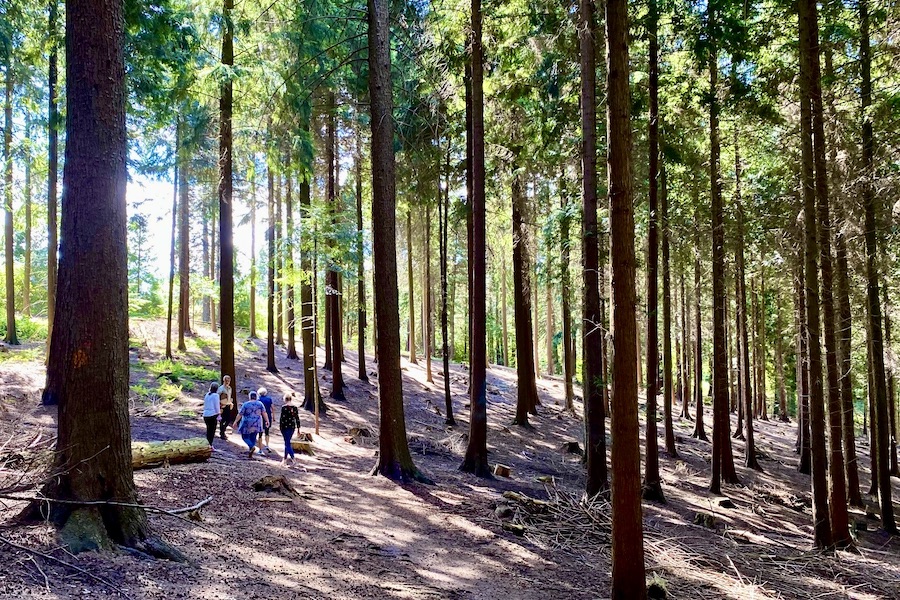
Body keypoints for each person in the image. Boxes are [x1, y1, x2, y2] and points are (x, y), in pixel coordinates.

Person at [234, 391, 268, 459]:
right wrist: (267, 420)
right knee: (253, 437)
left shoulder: (246, 404)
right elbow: (264, 413)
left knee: (245, 437)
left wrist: (236, 421)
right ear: (256, 397)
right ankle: (251, 451)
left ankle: (251, 447)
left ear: (249, 397)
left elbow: (240, 414)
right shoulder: (260, 404)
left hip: (247, 423)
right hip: (257, 422)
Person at [279, 392, 301, 466]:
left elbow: (282, 419)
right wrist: (298, 428)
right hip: (292, 427)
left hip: (284, 427)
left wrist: (280, 427)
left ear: (285, 399)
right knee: (287, 443)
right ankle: (284, 459)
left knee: (287, 443)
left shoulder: (283, 407)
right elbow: (297, 418)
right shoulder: (295, 407)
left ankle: (293, 459)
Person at [202, 382, 221, 448]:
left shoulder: (207, 394)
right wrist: (219, 414)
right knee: (212, 431)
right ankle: (209, 445)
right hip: (212, 415)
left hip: (205, 415)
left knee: (208, 430)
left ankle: (208, 444)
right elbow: (217, 406)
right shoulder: (216, 395)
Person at [217, 375, 236, 439]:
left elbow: (229, 396)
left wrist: (231, 403)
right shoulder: (221, 388)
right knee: (222, 420)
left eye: (228, 381)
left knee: (228, 420)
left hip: (228, 405)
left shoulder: (230, 388)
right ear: (224, 380)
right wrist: (219, 405)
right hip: (222, 406)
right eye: (226, 380)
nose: (227, 382)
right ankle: (222, 433)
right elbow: (218, 396)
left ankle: (223, 430)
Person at [257, 387, 274, 455]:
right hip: (268, 416)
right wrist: (273, 416)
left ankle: (260, 449)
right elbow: (273, 408)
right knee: (267, 431)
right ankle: (267, 445)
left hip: (260, 417)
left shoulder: (258, 400)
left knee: (260, 433)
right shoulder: (269, 399)